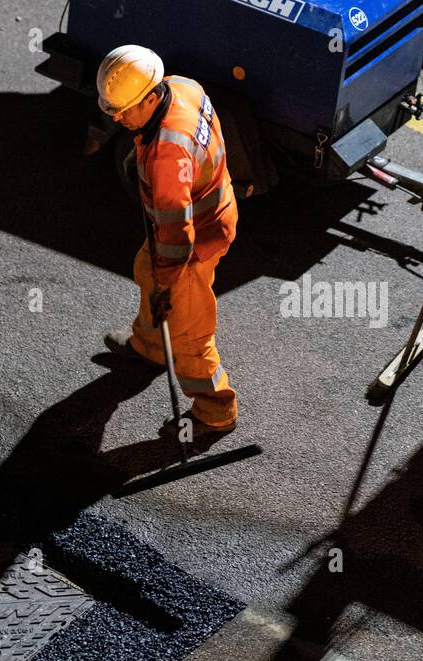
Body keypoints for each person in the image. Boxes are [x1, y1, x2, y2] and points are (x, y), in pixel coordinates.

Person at [98, 45, 239, 437]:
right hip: (207, 207)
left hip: (196, 238)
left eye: (125, 110)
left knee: (188, 332)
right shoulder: (180, 87)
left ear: (150, 96)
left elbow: (178, 234)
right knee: (147, 268)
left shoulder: (167, 155)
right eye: (112, 111)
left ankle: (215, 410)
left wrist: (169, 279)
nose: (119, 118)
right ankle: (150, 347)